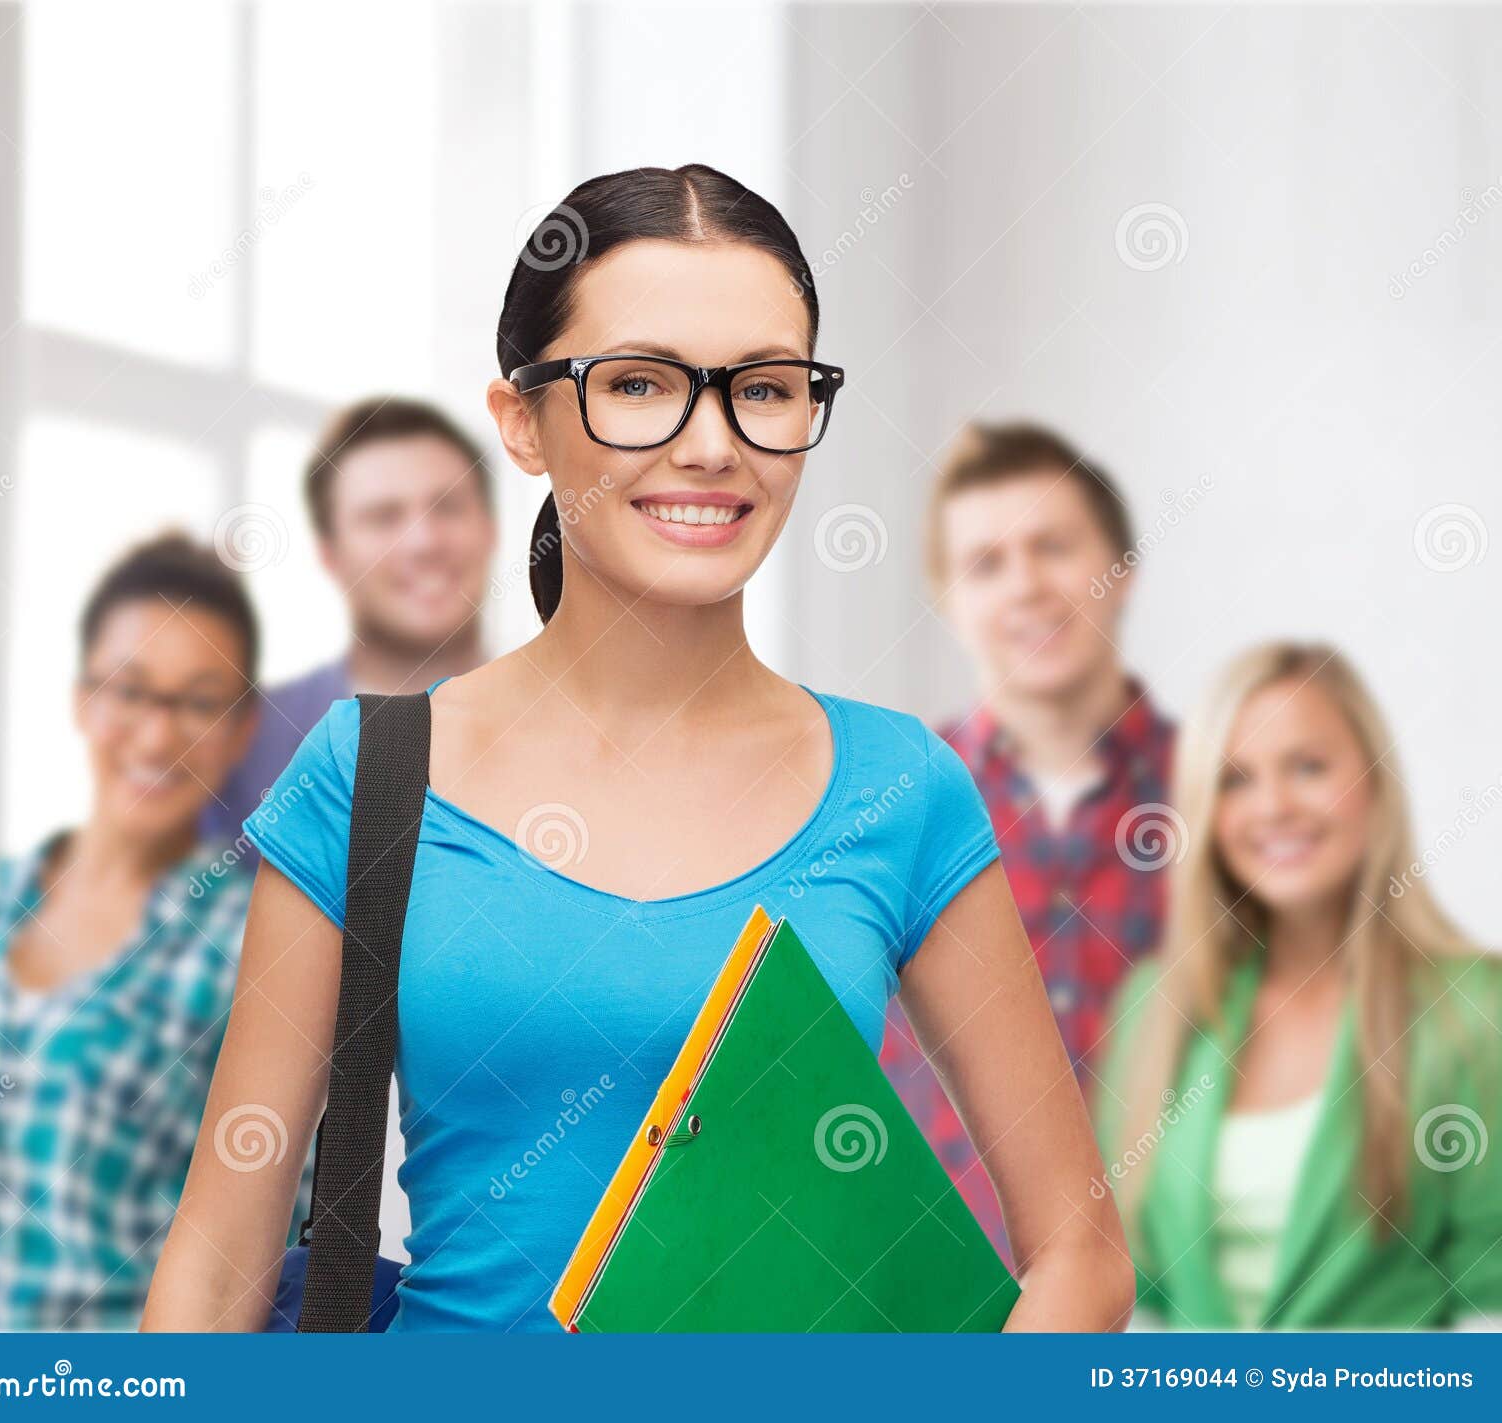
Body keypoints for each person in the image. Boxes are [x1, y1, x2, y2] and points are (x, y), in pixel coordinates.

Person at [142, 163, 1134, 1334]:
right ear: (521, 422)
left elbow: (1079, 1250)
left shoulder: (900, 788)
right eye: (638, 384)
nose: (712, 444)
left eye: (764, 389)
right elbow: (212, 1275)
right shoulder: (367, 776)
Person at [0, 535, 304, 1330]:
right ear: (82, 697)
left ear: (239, 728)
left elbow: (261, 1258)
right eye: (130, 690)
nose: (157, 737)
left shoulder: (255, 951)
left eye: (197, 702)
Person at [1094, 642, 1502, 1328]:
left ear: (1374, 781)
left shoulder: (1473, 1010)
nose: (1274, 806)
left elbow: (1489, 1306)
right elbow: (1137, 1299)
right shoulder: (1154, 1009)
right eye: (1236, 779)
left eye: (1308, 767)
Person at [879, 423, 1175, 1259]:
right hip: (947, 1318)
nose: (1026, 585)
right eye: (986, 562)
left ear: (1123, 570)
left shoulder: (1235, 806)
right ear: (950, 600)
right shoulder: (884, 812)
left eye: (1053, 546)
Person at [200, 397, 497, 843]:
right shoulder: (246, 743)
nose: (424, 542)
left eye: (448, 507)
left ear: (490, 528)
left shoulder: (575, 722)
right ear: (329, 556)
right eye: (383, 517)